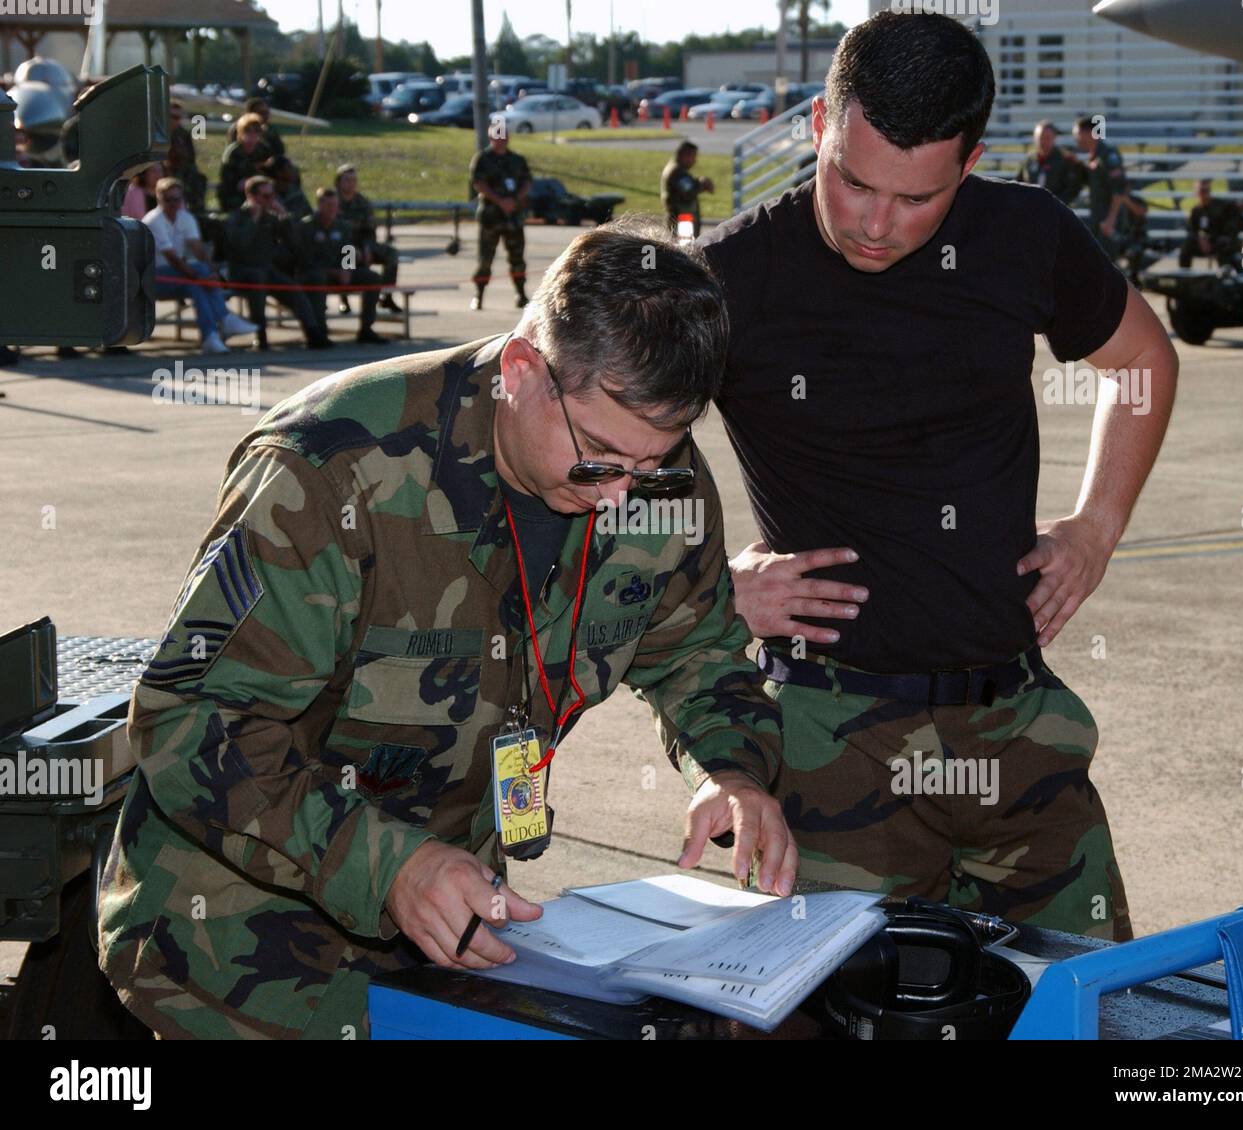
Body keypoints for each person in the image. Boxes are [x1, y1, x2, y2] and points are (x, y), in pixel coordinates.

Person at [98, 218, 795, 1039]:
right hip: (243, 945)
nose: (620, 494)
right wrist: (387, 863)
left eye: (651, 463)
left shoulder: (654, 473)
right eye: (602, 457)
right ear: (522, 371)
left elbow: (696, 653)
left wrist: (734, 772)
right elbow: (193, 722)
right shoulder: (330, 468)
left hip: (456, 923)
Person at [698, 12, 1180, 940]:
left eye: (917, 199)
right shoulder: (727, 279)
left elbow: (1141, 360)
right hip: (831, 745)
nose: (876, 226)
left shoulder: (1023, 234)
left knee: (1093, 1012)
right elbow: (581, 456)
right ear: (817, 126)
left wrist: (1096, 526)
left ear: (970, 162)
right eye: (853, 182)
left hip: (1018, 733)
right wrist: (714, 591)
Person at [147, 177, 258, 354]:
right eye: (168, 199)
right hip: (154, 277)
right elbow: (172, 259)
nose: (173, 203)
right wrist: (203, 277)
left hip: (181, 277)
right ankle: (224, 317)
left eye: (177, 199)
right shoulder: (153, 221)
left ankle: (210, 337)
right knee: (198, 277)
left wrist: (212, 273)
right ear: (159, 199)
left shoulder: (185, 218)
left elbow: (199, 250)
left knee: (197, 286)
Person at [224, 176, 330, 350]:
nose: (271, 200)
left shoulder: (271, 218)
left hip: (267, 270)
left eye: (272, 195)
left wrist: (284, 218)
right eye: (266, 196)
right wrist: (253, 220)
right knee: (257, 283)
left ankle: (313, 333)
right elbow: (239, 245)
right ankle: (261, 334)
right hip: (242, 271)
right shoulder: (237, 217)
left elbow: (294, 244)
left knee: (294, 290)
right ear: (251, 196)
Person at [293, 187, 385, 345]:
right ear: (320, 205)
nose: (332, 210)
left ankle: (366, 329)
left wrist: (347, 269)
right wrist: (334, 272)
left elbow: (348, 249)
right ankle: (319, 332)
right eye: (329, 206)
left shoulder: (343, 226)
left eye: (335, 206)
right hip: (315, 274)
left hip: (339, 273)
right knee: (317, 278)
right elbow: (305, 260)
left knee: (372, 278)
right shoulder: (306, 227)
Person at [469, 127, 531, 310]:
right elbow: (478, 183)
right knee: (485, 259)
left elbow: (527, 182)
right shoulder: (483, 159)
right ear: (490, 137)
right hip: (491, 217)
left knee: (517, 258)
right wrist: (500, 201)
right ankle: (478, 295)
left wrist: (515, 200)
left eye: (504, 137)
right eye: (497, 137)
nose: (501, 140)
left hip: (513, 218)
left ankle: (520, 293)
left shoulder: (517, 160)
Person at [336, 164, 402, 315]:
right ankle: (344, 299)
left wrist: (367, 247)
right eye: (347, 180)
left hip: (364, 243)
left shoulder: (363, 202)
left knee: (391, 254)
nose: (351, 184)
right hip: (343, 246)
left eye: (354, 180)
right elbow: (336, 230)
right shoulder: (333, 201)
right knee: (349, 254)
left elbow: (370, 229)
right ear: (339, 182)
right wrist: (356, 249)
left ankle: (387, 295)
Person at [1072, 113, 1131, 258]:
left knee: (1109, 265)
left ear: (1088, 133)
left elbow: (1119, 188)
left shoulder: (1107, 154)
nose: (1076, 139)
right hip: (1098, 218)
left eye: (1078, 134)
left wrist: (1111, 219)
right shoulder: (1094, 156)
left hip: (1108, 221)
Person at [1179, 179, 1242, 269]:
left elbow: (1233, 222)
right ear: (1196, 193)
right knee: (1186, 247)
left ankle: (1226, 276)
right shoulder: (1196, 210)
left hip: (1219, 240)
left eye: (1206, 191)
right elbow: (1192, 229)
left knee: (1225, 245)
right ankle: (1184, 278)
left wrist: (1219, 237)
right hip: (1204, 242)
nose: (1203, 194)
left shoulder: (1222, 206)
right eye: (1201, 191)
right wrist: (1200, 238)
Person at [1015, 120, 1080, 204]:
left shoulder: (1065, 159)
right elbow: (1019, 183)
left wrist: (1057, 204)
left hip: (1056, 210)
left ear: (1054, 137)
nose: (1043, 141)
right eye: (1040, 138)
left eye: (1047, 138)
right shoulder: (1029, 159)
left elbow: (1072, 188)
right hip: (1031, 208)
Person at [661, 141, 715, 237]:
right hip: (682, 220)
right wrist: (703, 184)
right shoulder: (676, 171)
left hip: (681, 219)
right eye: (693, 156)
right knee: (685, 247)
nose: (694, 161)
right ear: (685, 155)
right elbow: (689, 189)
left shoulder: (676, 169)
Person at [218, 114, 271, 213]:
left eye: (256, 131)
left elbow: (268, 172)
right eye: (247, 131)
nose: (252, 135)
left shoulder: (263, 150)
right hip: (235, 194)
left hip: (260, 192)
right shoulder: (233, 152)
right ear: (240, 132)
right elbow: (226, 181)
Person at [167, 100, 209, 215]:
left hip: (183, 171)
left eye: (178, 117)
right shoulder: (160, 133)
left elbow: (191, 159)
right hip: (165, 171)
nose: (175, 120)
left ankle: (198, 214)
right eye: (173, 116)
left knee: (199, 179)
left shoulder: (183, 134)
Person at [262, 153, 310, 220]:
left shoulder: (295, 190)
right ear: (278, 172)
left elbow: (309, 214)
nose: (294, 170)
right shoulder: (268, 196)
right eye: (289, 167)